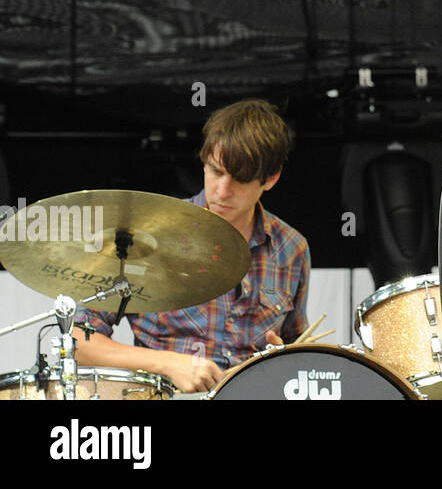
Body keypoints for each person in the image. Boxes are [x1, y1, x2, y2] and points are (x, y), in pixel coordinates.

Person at [75, 98, 310, 393]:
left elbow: (298, 350)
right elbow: (78, 342)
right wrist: (166, 364)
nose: (222, 191)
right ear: (203, 162)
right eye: (215, 171)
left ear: (271, 178)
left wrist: (287, 356)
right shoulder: (150, 236)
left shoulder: (291, 249)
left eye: (240, 179)